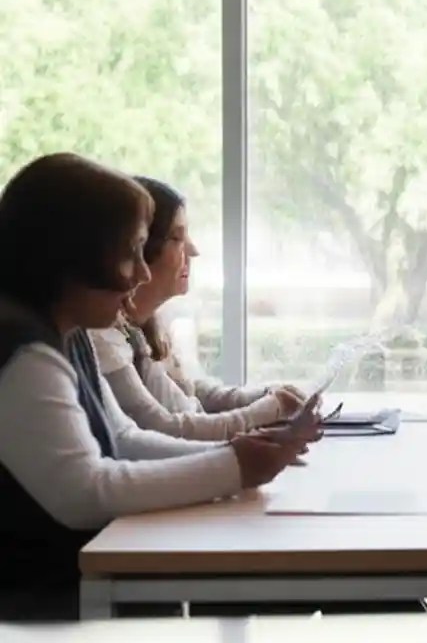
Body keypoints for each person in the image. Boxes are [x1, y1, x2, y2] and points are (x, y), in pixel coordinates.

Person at [0, 154, 315, 620]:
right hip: (45, 604)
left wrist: (244, 452)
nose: (143, 273)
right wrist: (235, 466)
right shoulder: (22, 352)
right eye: (130, 253)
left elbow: (123, 440)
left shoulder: (68, 331)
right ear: (71, 256)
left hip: (97, 577)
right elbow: (84, 493)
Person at [90, 177, 303, 440]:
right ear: (141, 249)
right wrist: (267, 411)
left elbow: (189, 392)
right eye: (177, 237)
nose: (193, 250)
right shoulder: (105, 339)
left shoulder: (149, 325)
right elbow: (162, 428)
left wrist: (267, 396)